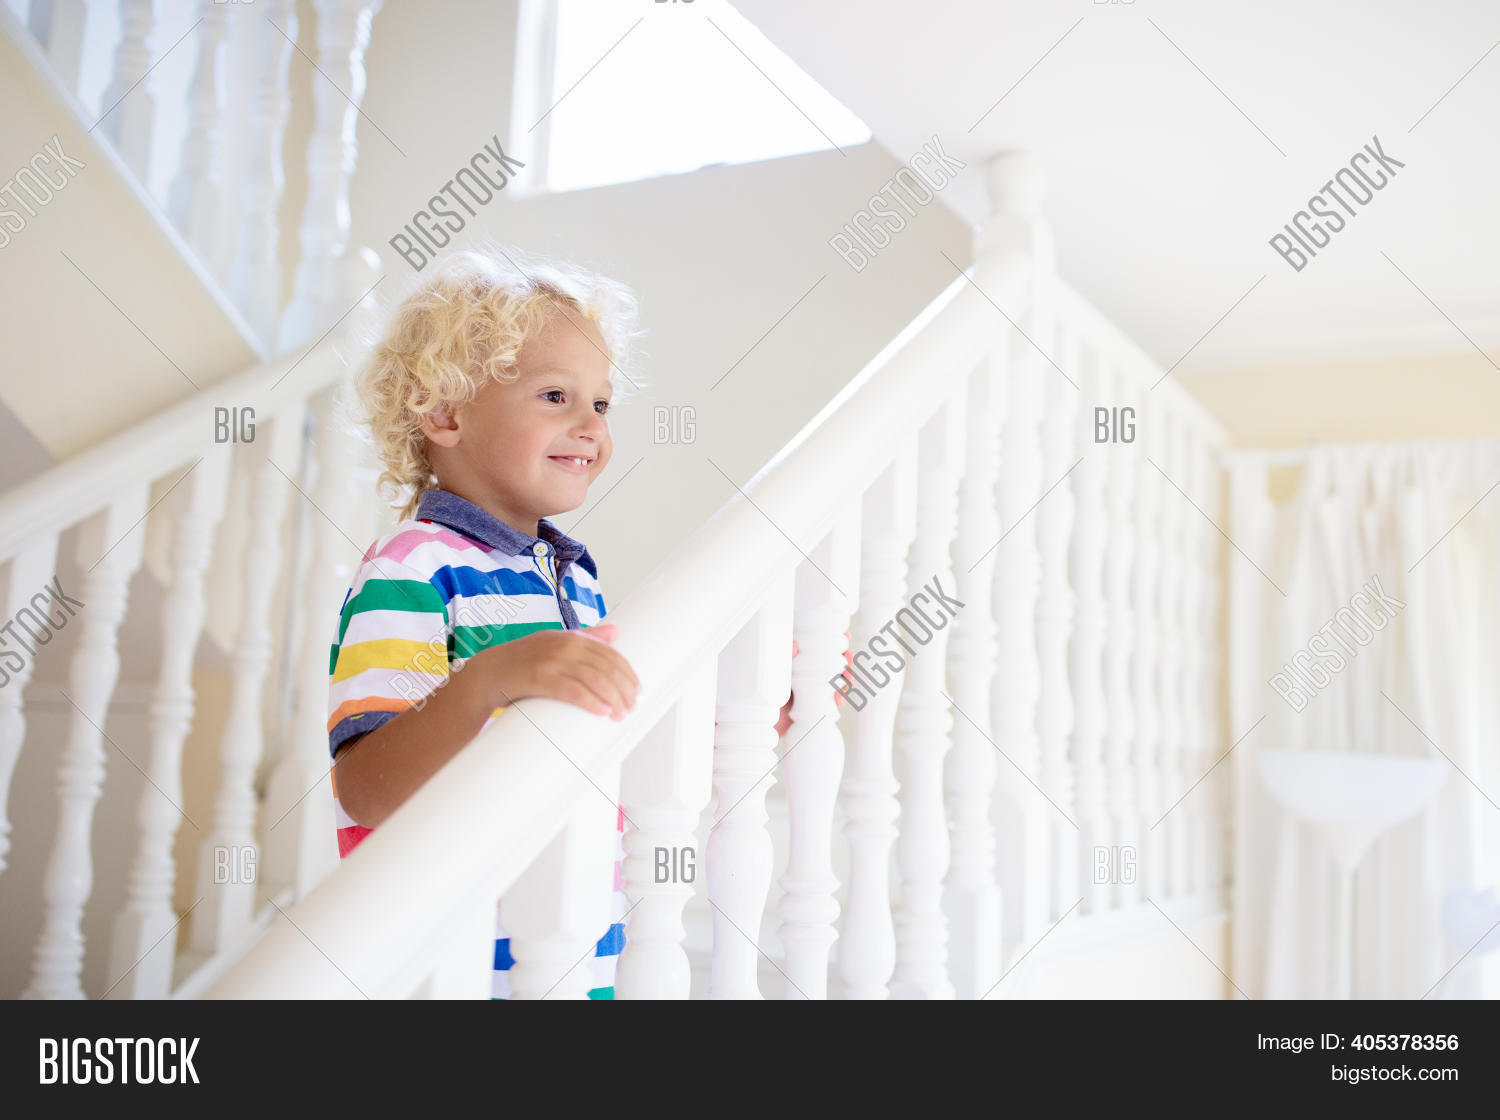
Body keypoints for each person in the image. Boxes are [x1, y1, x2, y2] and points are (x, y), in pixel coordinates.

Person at [326, 246, 644, 998]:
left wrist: (753, 718)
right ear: (444, 412)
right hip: (463, 961)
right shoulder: (411, 568)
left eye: (600, 403)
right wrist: (485, 682)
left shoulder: (573, 576)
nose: (590, 426)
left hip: (578, 941)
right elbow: (365, 788)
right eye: (555, 396)